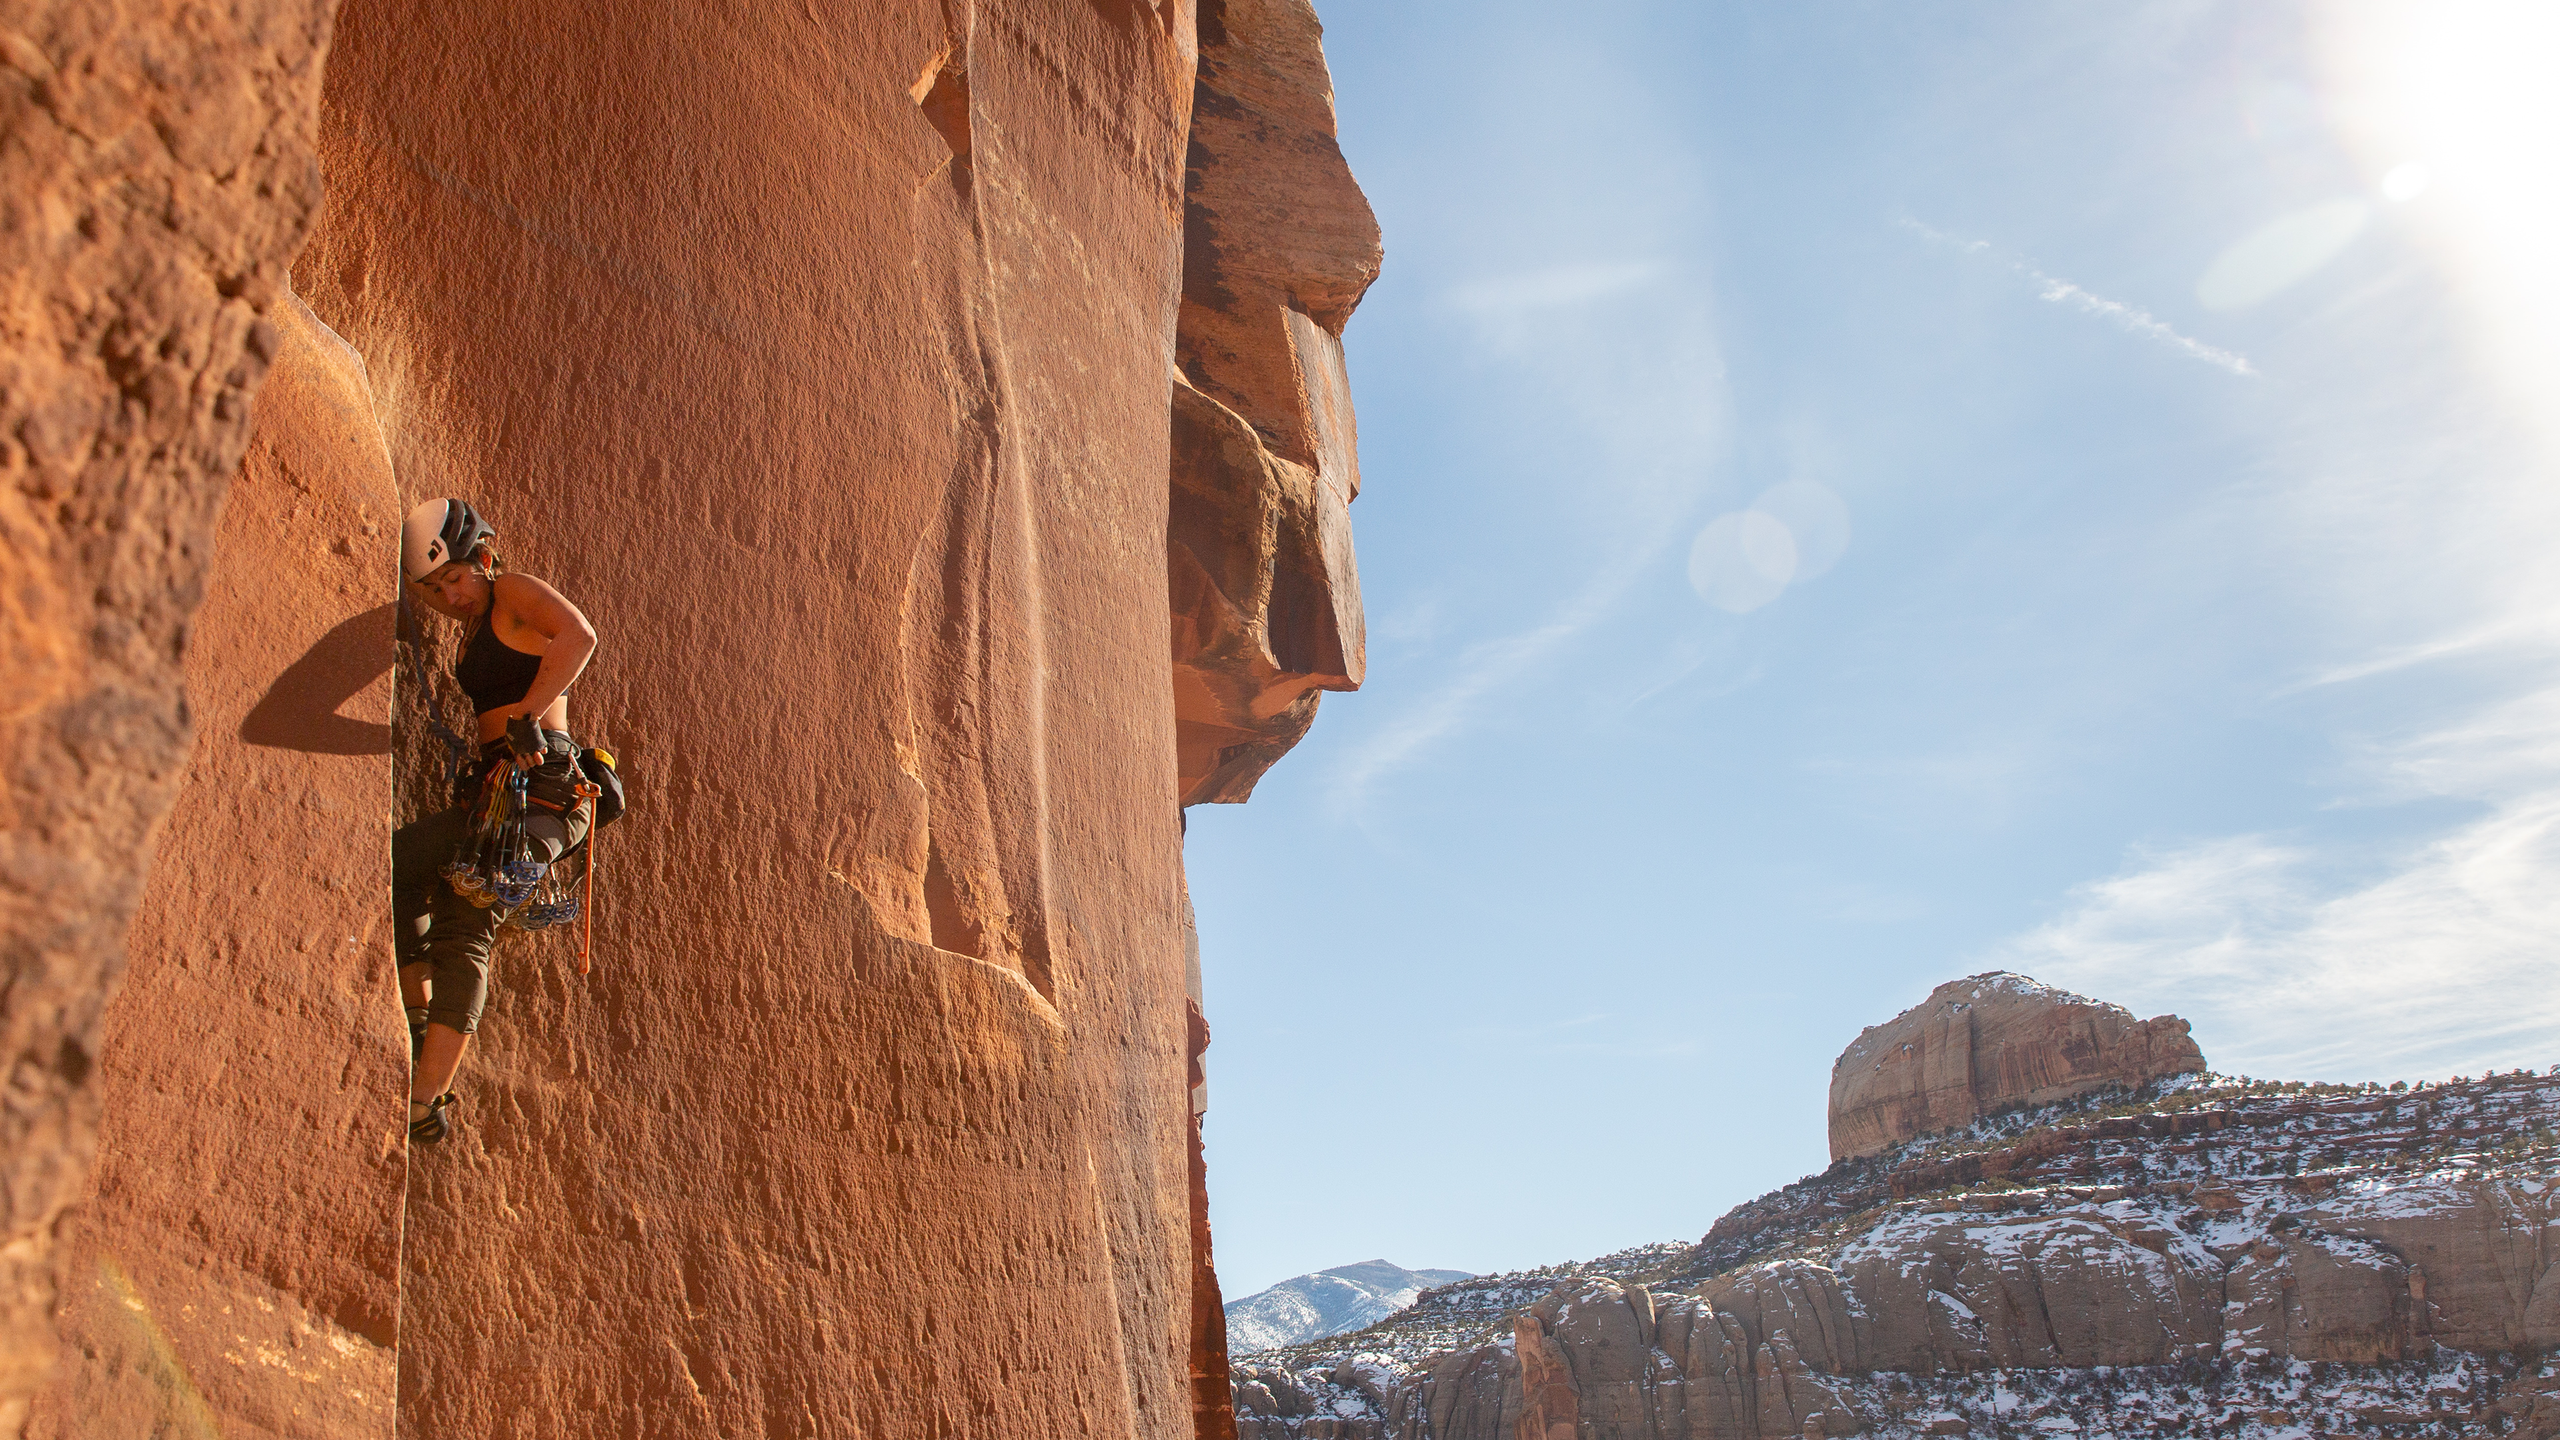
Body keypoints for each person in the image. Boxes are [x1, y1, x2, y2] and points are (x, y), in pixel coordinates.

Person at [394, 498, 598, 1143]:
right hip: (501, 787)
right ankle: (418, 1021)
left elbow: (579, 635)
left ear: (482, 558)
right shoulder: (479, 622)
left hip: (543, 786)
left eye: (455, 577)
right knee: (403, 863)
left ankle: (424, 1100)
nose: (450, 596)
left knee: (468, 922)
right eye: (434, 589)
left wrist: (528, 716)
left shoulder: (510, 591)